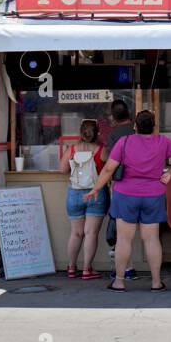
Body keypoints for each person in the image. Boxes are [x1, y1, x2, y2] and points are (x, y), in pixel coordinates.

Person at [85, 110, 171, 292]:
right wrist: (169, 174)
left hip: (126, 195)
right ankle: (156, 282)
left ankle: (119, 282)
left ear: (135, 126)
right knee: (151, 239)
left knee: (124, 240)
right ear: (154, 126)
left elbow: (109, 169)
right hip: (153, 195)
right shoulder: (163, 142)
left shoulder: (124, 142)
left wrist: (96, 189)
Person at [59, 119, 108, 280]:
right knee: (91, 233)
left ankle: (71, 267)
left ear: (81, 132)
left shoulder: (71, 149)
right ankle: (87, 269)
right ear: (97, 133)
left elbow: (62, 170)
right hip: (96, 193)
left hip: (74, 193)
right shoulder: (102, 150)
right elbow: (110, 170)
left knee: (76, 233)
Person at [104, 100, 137, 280]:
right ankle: (131, 268)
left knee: (120, 229)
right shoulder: (136, 131)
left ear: (113, 117)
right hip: (142, 186)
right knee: (149, 232)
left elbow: (108, 161)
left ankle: (125, 269)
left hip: (120, 185)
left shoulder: (114, 135)